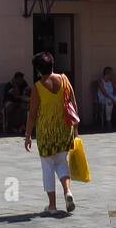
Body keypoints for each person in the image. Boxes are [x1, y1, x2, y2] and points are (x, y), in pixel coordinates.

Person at [24, 51, 77, 216]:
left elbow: (32, 114)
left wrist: (27, 135)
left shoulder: (38, 87)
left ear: (38, 70)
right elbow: (73, 103)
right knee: (62, 162)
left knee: (47, 167)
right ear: (52, 64)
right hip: (64, 129)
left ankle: (52, 205)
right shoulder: (65, 80)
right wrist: (75, 129)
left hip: (46, 132)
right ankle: (67, 191)